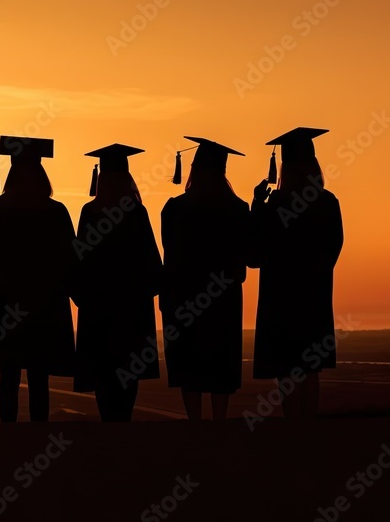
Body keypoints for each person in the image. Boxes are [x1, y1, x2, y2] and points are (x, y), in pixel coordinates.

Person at [0, 136, 76, 422]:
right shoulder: (55, 211)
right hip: (45, 302)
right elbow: (72, 258)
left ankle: (9, 432)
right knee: (38, 375)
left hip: (10, 302)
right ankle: (37, 431)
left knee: (10, 374)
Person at [250, 127, 343, 418]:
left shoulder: (275, 205)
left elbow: (253, 256)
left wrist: (256, 206)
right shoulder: (328, 203)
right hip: (314, 294)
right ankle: (308, 426)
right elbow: (333, 248)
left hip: (280, 297)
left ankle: (293, 425)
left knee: (288, 367)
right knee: (310, 365)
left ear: (284, 168)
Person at [71, 144, 161, 422]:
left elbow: (79, 257)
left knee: (102, 366)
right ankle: (123, 420)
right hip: (131, 303)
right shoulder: (136, 212)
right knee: (127, 366)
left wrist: (80, 293)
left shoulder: (90, 212)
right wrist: (150, 287)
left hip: (98, 303)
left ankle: (109, 421)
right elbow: (150, 257)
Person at [160, 137, 249, 421]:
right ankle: (219, 423)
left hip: (185, 297)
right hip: (223, 299)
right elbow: (243, 258)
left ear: (194, 170)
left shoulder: (174, 208)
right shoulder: (237, 209)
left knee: (190, 363)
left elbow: (170, 254)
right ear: (223, 171)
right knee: (220, 361)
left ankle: (194, 423)